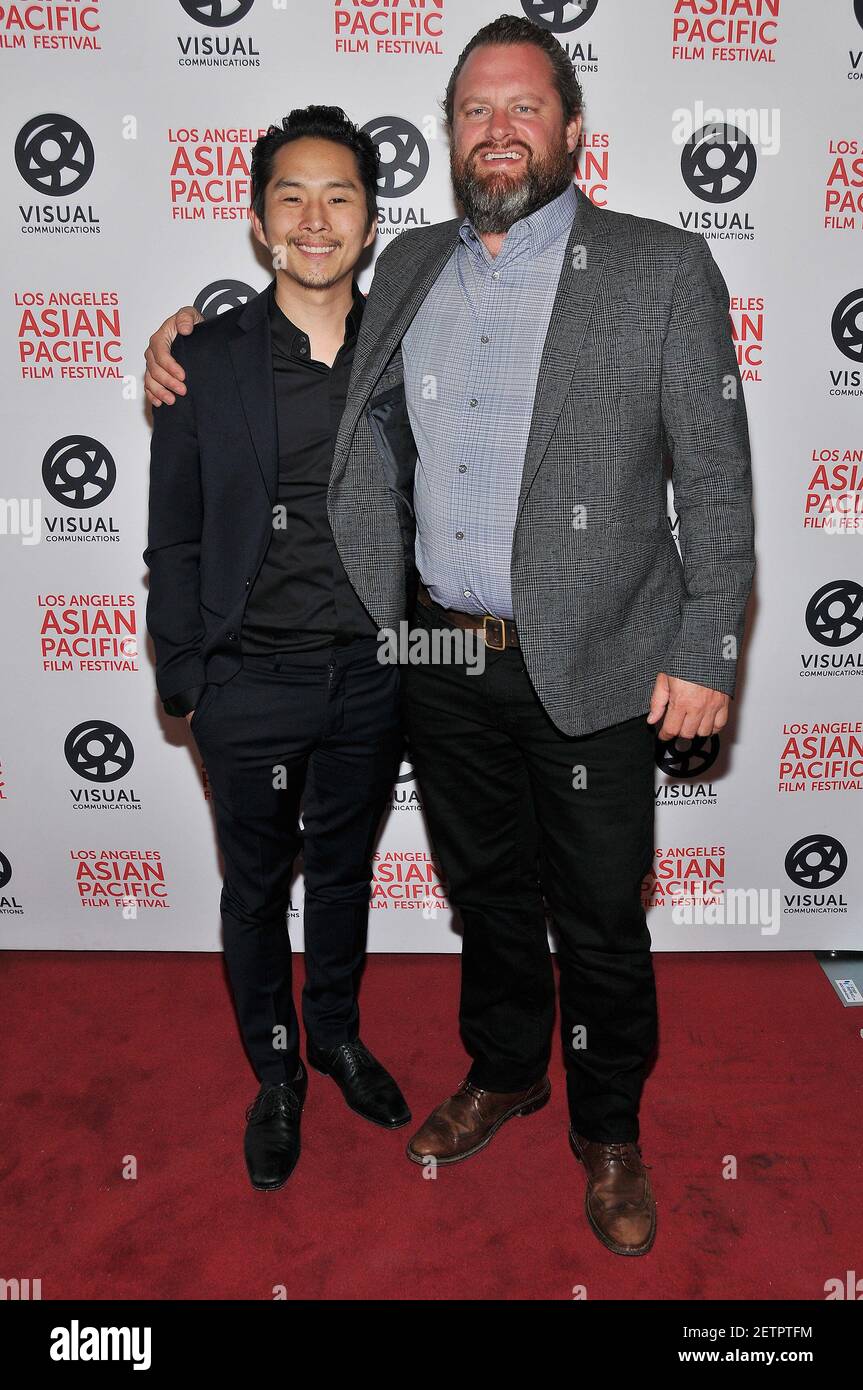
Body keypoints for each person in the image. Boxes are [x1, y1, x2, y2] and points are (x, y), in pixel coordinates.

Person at [144, 15, 755, 1254]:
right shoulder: (412, 268)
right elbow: (296, 323)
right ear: (447, 133)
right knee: (485, 896)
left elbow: (719, 483)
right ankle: (505, 1068)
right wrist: (179, 348)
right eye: (475, 110)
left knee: (595, 913)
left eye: (523, 108)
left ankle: (609, 1132)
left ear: (572, 130)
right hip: (439, 657)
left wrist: (705, 648)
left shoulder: (660, 267)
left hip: (594, 663)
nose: (498, 131)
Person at [144, 106, 411, 1194]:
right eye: (290, 198)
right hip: (246, 679)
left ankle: (333, 1038)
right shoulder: (200, 361)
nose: (314, 218)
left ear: (370, 217)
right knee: (256, 888)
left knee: (342, 872)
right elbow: (174, 532)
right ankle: (273, 1072)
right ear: (258, 223)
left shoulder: (412, 350)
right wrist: (187, 681)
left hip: (373, 674)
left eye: (338, 196)